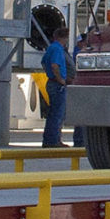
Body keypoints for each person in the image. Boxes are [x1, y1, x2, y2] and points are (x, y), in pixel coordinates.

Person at [39, 13, 71, 149]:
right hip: (57, 84)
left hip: (51, 82)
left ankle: (50, 139)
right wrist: (61, 80)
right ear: (64, 38)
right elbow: (54, 65)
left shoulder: (50, 48)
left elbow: (44, 63)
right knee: (58, 114)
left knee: (53, 113)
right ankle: (54, 141)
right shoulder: (58, 49)